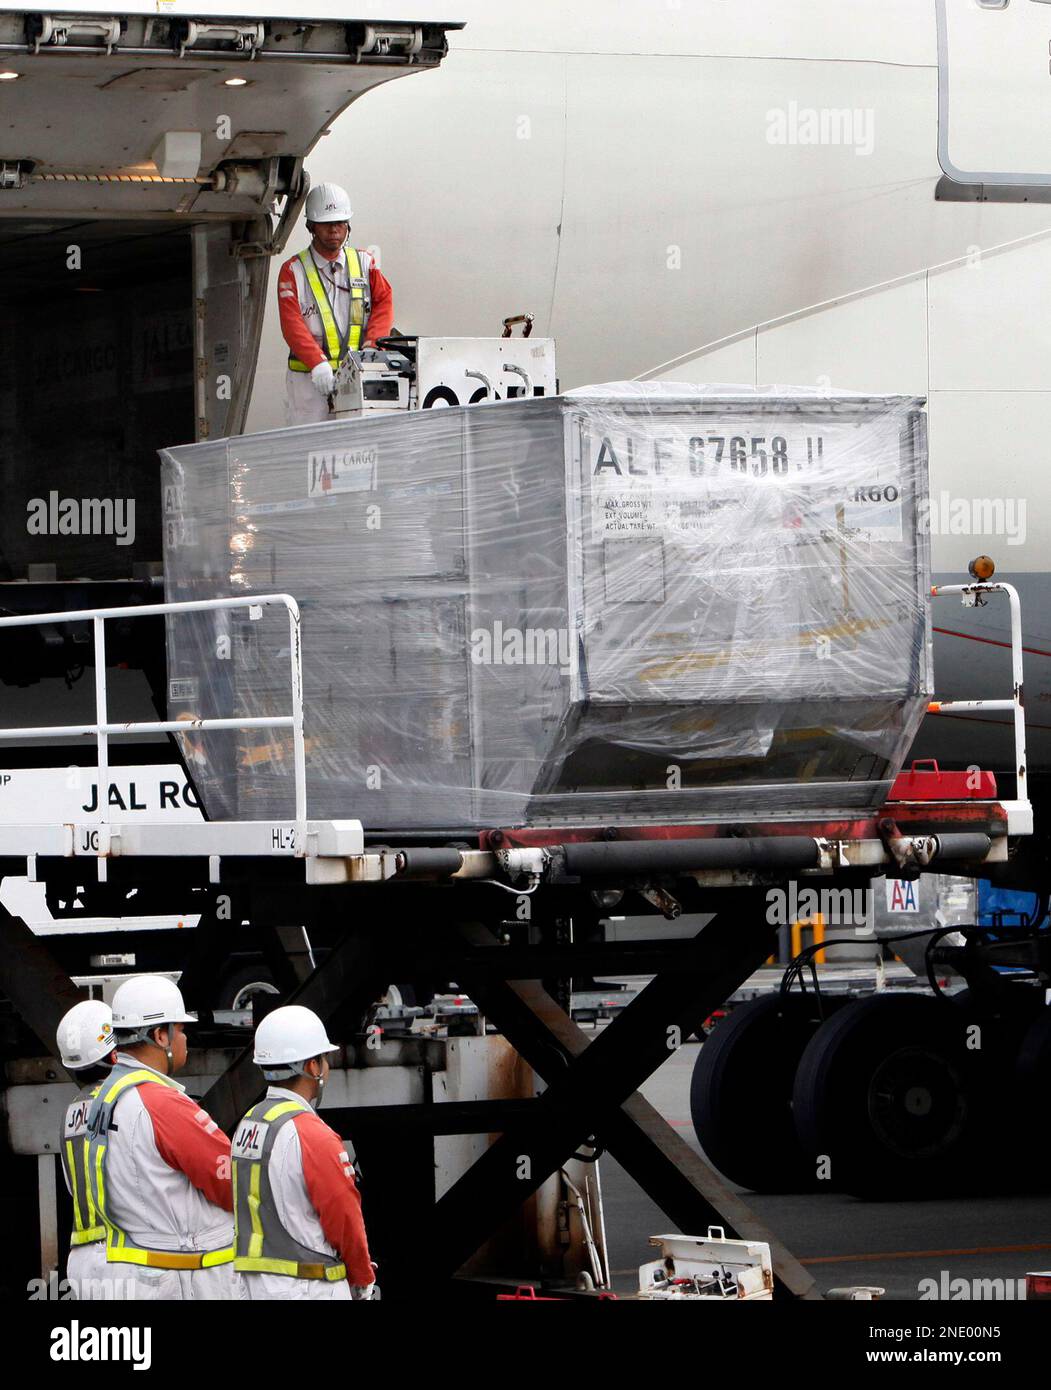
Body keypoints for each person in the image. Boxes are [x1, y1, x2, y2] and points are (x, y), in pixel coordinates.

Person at [85, 975, 242, 1301]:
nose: (185, 1039)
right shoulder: (161, 1102)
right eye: (180, 1030)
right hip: (186, 1277)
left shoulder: (107, 1095)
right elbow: (233, 1183)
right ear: (160, 1035)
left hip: (138, 1267)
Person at [232, 1004, 375, 1300]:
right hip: (307, 1286)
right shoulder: (312, 1134)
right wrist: (362, 1277)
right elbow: (344, 1215)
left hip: (255, 1286)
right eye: (324, 1059)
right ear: (312, 1066)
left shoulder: (250, 1122)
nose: (327, 1067)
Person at [278, 181, 394, 424]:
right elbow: (292, 325)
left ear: (348, 225)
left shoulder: (364, 263)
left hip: (356, 378)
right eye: (327, 223)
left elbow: (383, 303)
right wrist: (317, 364)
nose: (334, 230)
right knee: (310, 449)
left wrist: (372, 348)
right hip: (309, 384)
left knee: (357, 449)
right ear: (311, 226)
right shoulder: (293, 271)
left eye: (340, 222)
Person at [55, 999, 118, 1300]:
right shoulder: (121, 1102)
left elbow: (71, 1186)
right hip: (119, 1252)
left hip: (80, 1257)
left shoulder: (71, 1112)